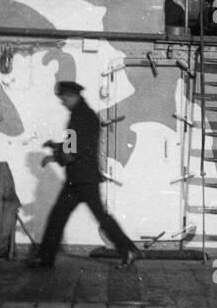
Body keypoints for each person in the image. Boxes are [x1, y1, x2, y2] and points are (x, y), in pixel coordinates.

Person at [28, 81, 140, 269]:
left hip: (81, 180)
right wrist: (56, 146)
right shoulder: (84, 115)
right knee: (65, 217)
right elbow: (74, 147)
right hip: (82, 178)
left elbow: (71, 153)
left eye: (64, 98)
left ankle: (128, 250)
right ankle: (45, 258)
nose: (62, 102)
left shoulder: (79, 118)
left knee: (68, 217)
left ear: (73, 96)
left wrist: (53, 157)